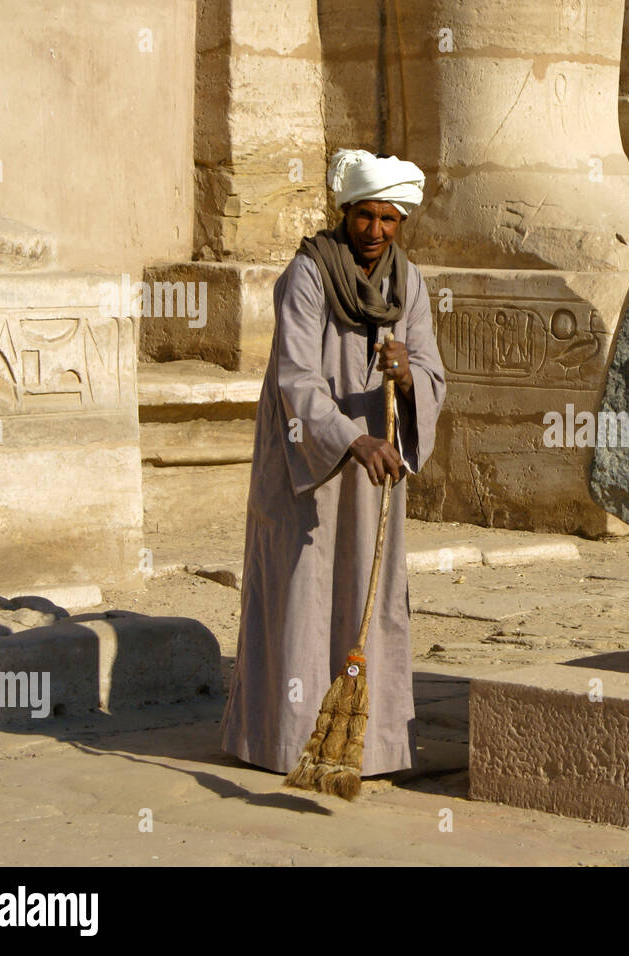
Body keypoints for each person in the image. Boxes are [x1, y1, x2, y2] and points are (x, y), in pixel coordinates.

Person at [219, 149, 446, 777]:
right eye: (365, 216)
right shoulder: (308, 274)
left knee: (366, 592)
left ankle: (368, 748)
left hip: (376, 465)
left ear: (401, 222)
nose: (375, 230)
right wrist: (352, 440)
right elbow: (296, 378)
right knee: (302, 588)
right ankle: (283, 741)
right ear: (345, 213)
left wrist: (410, 376)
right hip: (307, 457)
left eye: (389, 219)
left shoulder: (409, 283)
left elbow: (432, 369)